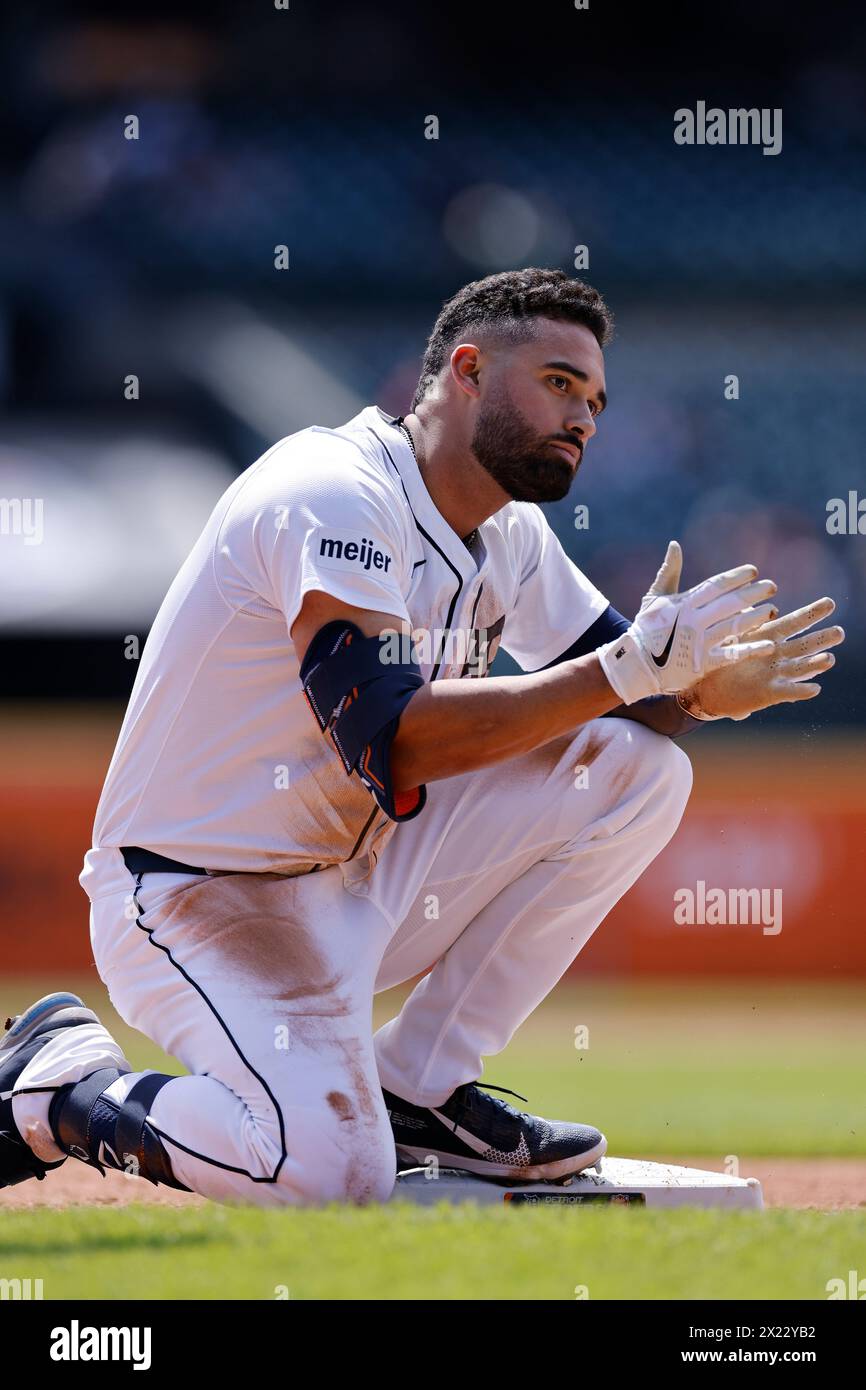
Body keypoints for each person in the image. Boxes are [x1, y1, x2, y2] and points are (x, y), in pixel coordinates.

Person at [1, 268, 843, 1206]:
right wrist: (634, 672)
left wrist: (695, 693)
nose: (585, 417)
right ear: (468, 371)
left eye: (597, 399)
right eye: (559, 382)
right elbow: (388, 741)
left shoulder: (507, 535)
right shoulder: (333, 491)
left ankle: (422, 1089)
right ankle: (64, 1089)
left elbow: (631, 690)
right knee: (329, 1175)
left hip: (361, 879)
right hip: (198, 894)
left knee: (640, 769)